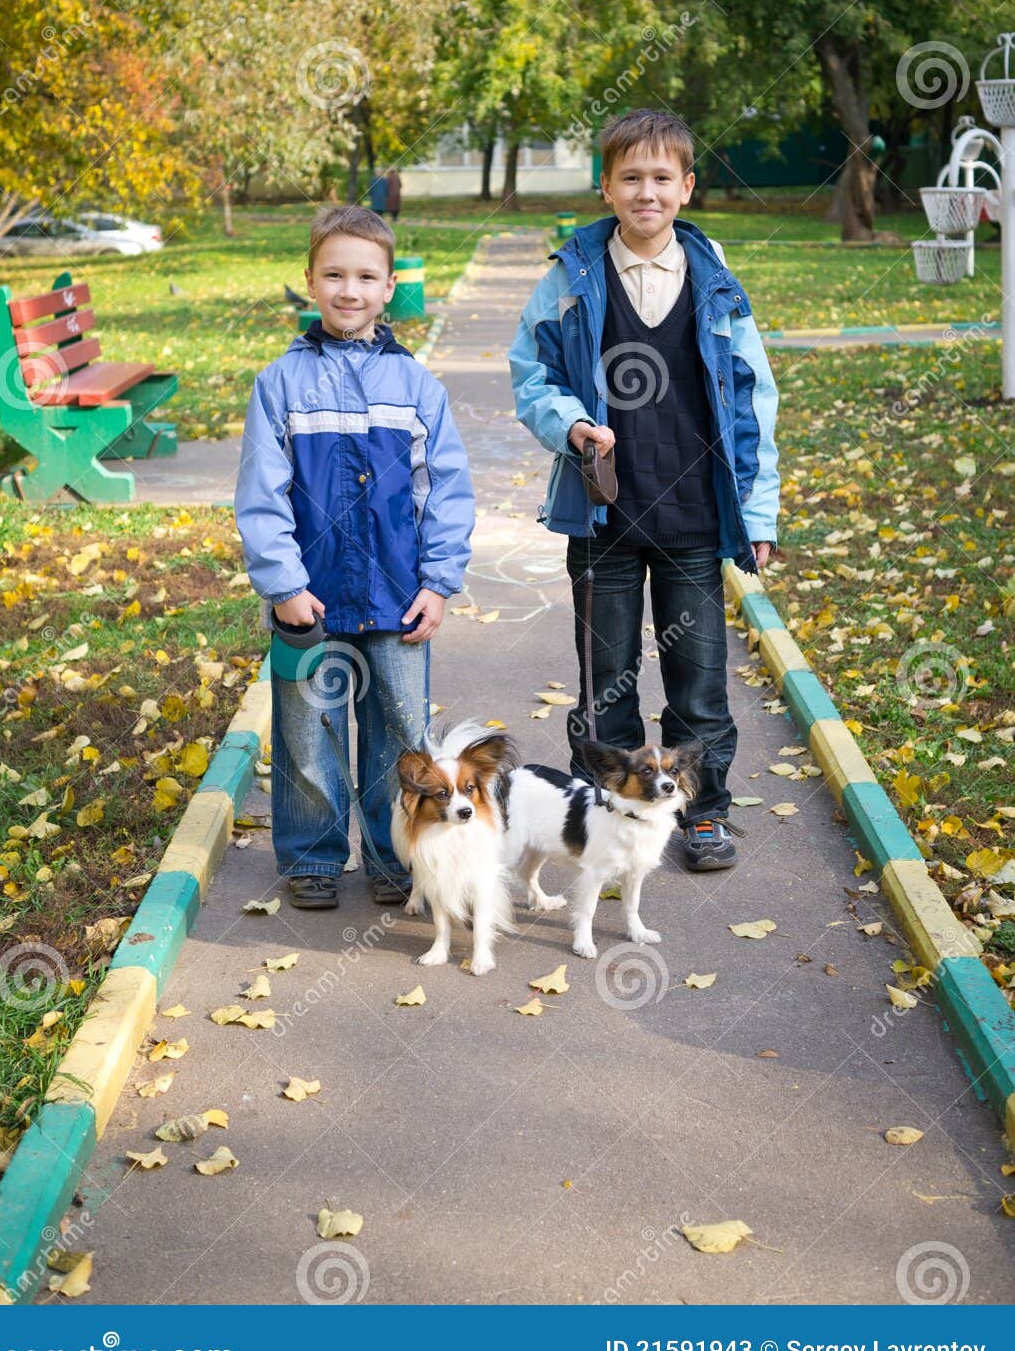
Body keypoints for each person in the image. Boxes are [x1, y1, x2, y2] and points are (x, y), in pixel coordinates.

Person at [509, 108, 779, 872]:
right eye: (630, 177)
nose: (646, 191)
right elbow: (531, 373)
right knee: (607, 685)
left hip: (694, 518)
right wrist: (570, 424)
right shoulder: (572, 274)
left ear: (686, 187)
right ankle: (610, 814)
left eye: (662, 177)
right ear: (606, 186)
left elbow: (754, 397)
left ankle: (701, 814)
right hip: (603, 519)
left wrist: (757, 513)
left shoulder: (716, 285)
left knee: (697, 684)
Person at [235, 204, 474, 908]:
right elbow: (261, 492)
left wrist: (438, 583)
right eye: (333, 274)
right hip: (307, 596)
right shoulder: (279, 383)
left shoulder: (417, 387)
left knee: (398, 733)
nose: (349, 290)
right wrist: (282, 585)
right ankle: (311, 855)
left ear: (389, 285)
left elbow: (447, 493)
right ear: (309, 281)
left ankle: (393, 854)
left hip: (398, 596)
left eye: (365, 276)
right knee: (308, 728)